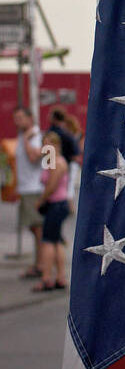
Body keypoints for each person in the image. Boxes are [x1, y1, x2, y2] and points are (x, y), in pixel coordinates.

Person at [31, 129, 70, 291]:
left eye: (49, 144)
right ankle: (60, 277)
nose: (46, 147)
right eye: (44, 144)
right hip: (57, 204)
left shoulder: (59, 163)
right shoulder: (52, 161)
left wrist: (40, 201)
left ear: (57, 145)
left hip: (56, 204)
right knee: (56, 241)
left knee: (47, 241)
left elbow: (51, 186)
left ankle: (47, 278)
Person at [12, 107, 45, 278]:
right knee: (33, 228)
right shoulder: (23, 136)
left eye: (20, 118)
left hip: (34, 188)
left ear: (30, 118)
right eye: (15, 119)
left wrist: (25, 139)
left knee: (38, 228)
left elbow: (34, 158)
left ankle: (41, 265)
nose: (17, 122)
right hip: (25, 188)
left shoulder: (35, 137)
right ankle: (40, 262)